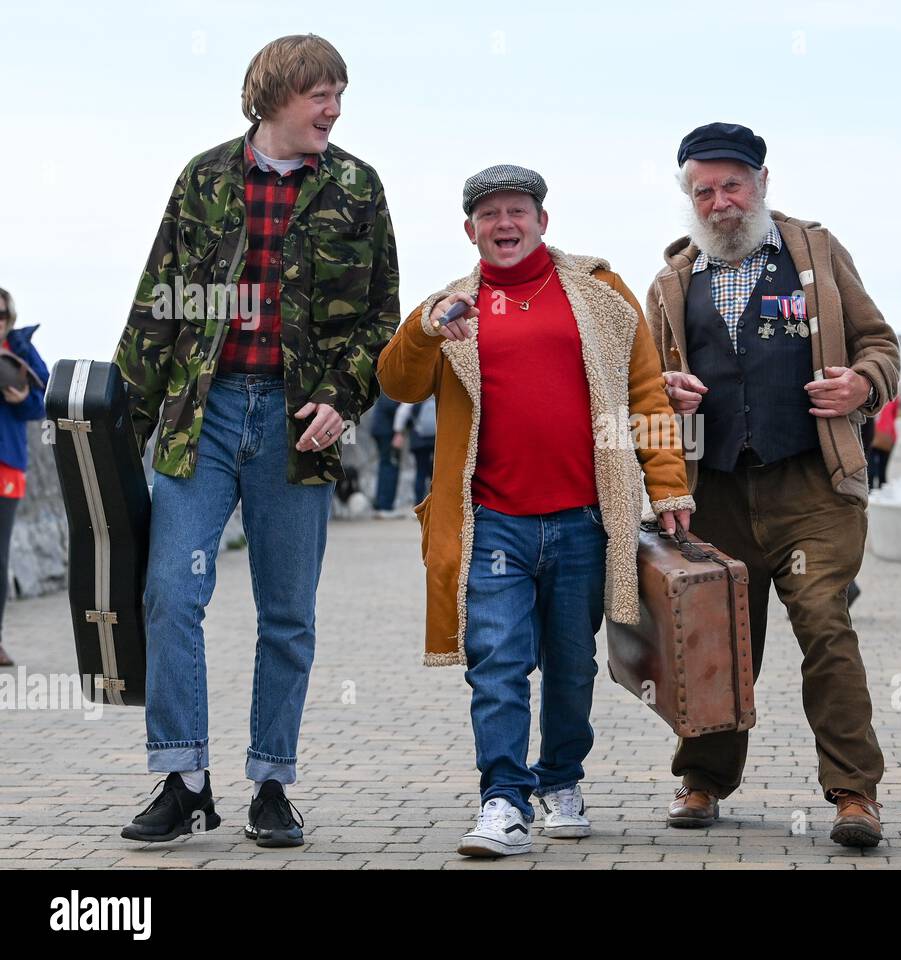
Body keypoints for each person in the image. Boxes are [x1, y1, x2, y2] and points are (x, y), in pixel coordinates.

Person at [114, 34, 400, 847]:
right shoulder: (204, 178)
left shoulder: (356, 187)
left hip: (293, 426)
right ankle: (183, 777)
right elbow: (157, 306)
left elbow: (383, 315)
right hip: (198, 421)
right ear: (274, 94)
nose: (334, 109)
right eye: (320, 94)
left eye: (340, 94)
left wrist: (344, 400)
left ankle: (272, 782)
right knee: (172, 593)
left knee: (287, 615)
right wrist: (114, 442)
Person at [377, 165, 693, 858]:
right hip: (491, 520)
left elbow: (646, 396)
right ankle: (503, 801)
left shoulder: (600, 295)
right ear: (471, 231)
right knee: (496, 662)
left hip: (585, 519)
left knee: (571, 666)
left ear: (542, 220)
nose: (505, 225)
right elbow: (396, 382)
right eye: (489, 215)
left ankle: (562, 781)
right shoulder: (449, 308)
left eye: (517, 211)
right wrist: (426, 331)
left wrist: (668, 487)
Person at [648, 123, 900, 847]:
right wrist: (666, 391)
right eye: (705, 191)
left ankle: (854, 793)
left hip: (811, 486)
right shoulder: (670, 282)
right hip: (715, 491)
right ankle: (703, 779)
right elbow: (644, 386)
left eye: (733, 186)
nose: (721, 202)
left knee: (825, 625)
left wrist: (861, 383)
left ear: (761, 184)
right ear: (689, 197)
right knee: (712, 638)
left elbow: (879, 344)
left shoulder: (814, 253)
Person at [0, 289, 49, 668]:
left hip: (6, 464)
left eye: (1, 314)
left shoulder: (20, 349)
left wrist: (22, 401)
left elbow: (46, 399)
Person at [369, 389, 404, 517]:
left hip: (383, 430)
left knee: (385, 465)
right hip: (386, 431)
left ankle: (381, 503)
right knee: (389, 466)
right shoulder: (392, 389)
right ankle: (385, 505)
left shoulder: (388, 387)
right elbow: (391, 406)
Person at [869, 395, 899, 489]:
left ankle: (880, 497)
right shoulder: (871, 394)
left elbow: (894, 416)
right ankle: (872, 497)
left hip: (886, 438)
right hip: (876, 437)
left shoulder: (893, 396)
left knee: (881, 472)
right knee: (872, 472)